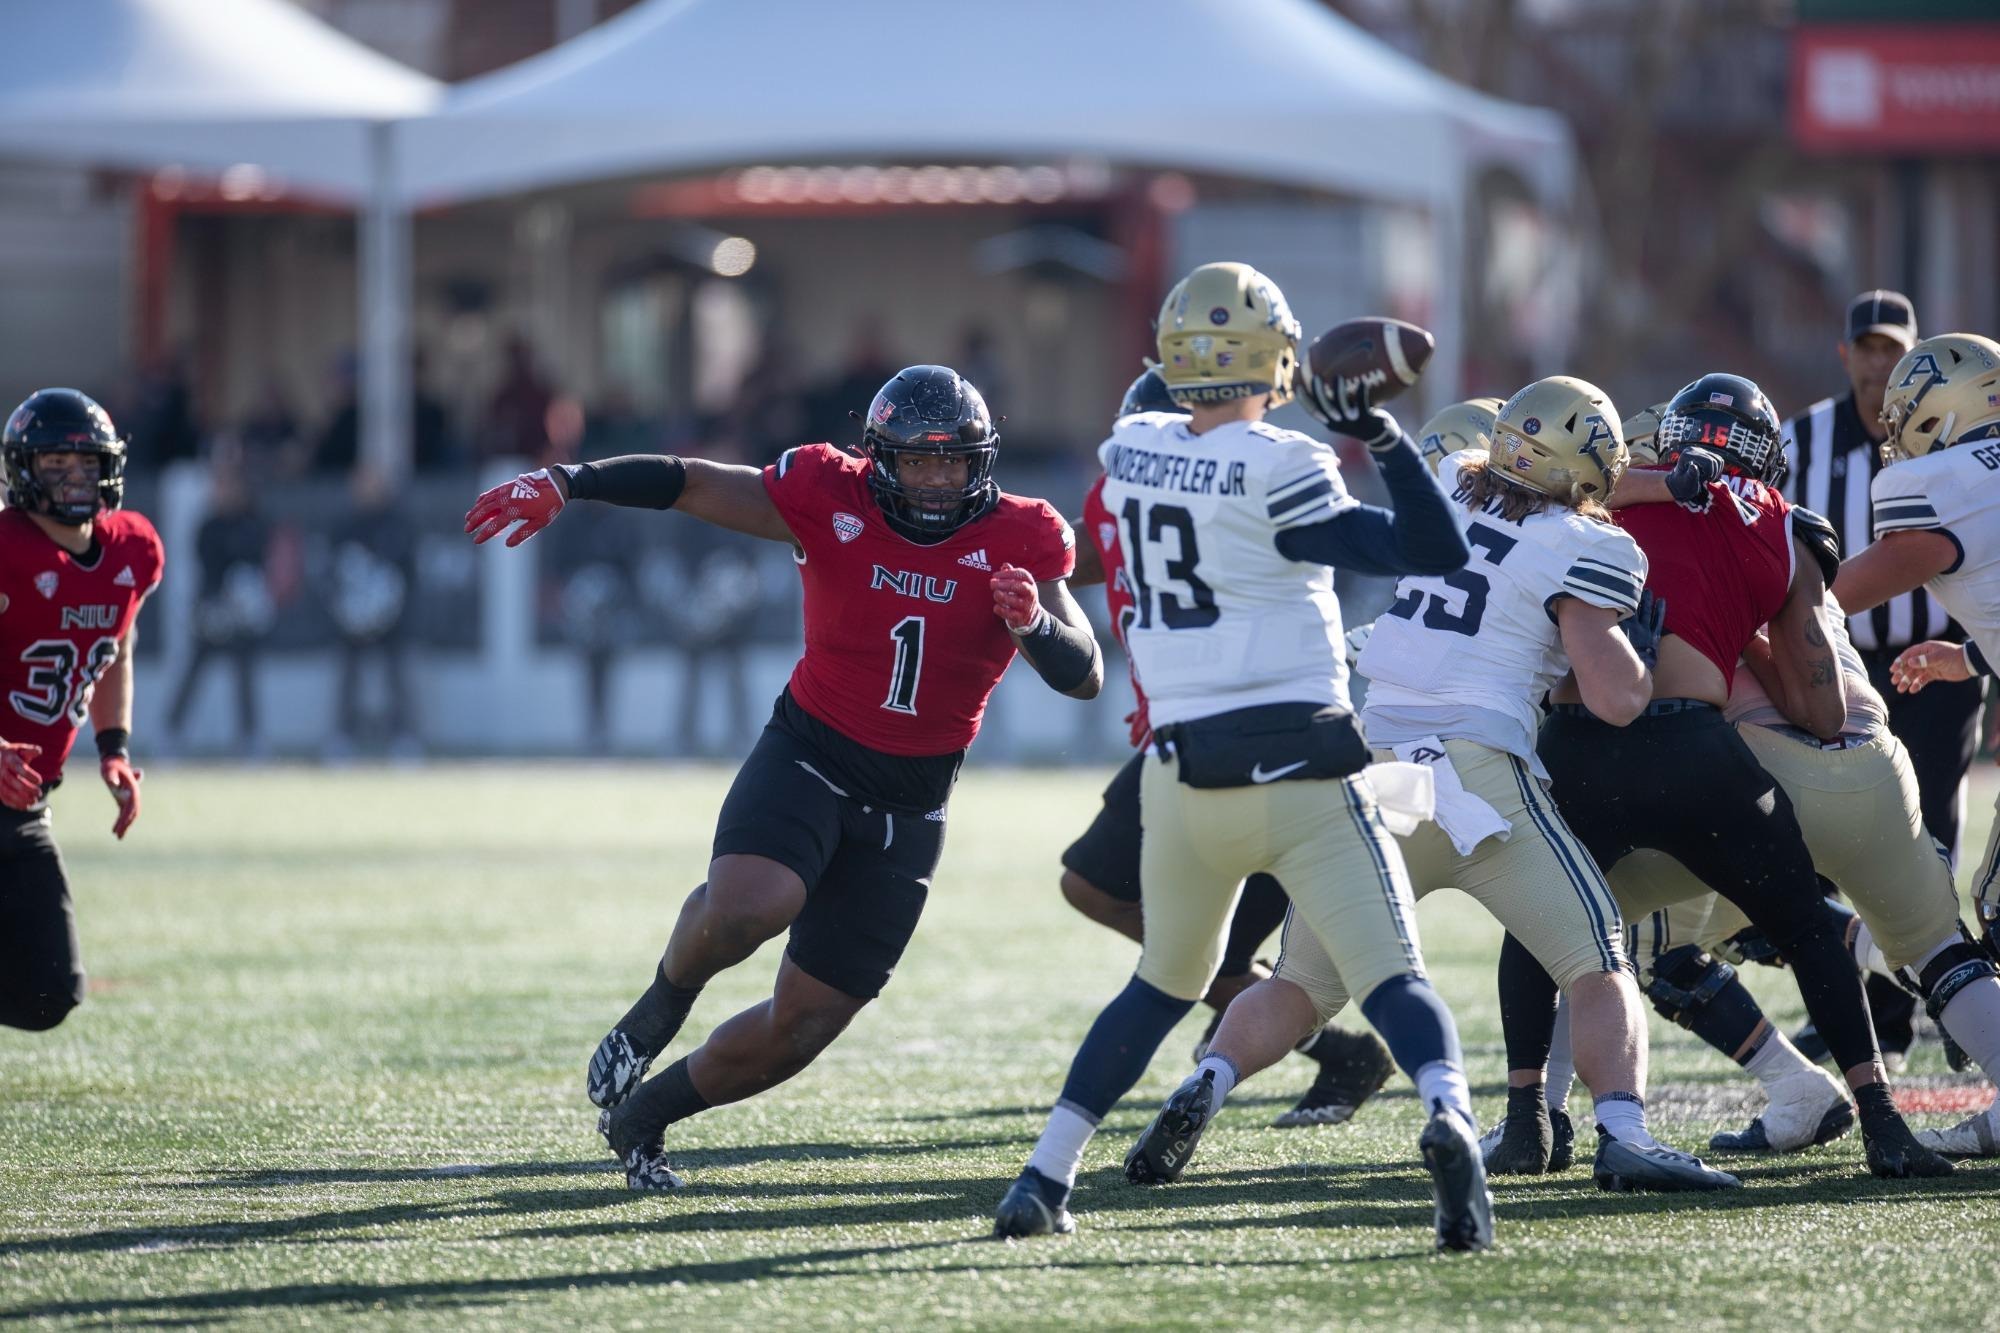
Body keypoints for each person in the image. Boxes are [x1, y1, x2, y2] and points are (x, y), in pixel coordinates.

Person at [466, 364, 1099, 1190]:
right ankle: (662, 1000)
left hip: (912, 803)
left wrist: (1035, 624)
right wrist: (568, 480)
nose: (938, 480)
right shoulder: (826, 492)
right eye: (918, 461)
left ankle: (643, 1117)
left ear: (983, 460)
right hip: (812, 750)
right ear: (880, 460)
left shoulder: (1024, 535)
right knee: (750, 905)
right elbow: (693, 483)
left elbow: (1083, 672)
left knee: (804, 1026)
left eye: (954, 461)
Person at [996, 262, 1493, 1252]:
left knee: (1156, 984)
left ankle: (1044, 1174)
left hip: (1181, 772)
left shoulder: (1130, 448)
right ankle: (1450, 1122)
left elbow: (1175, 442)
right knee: (1392, 975)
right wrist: (1382, 434)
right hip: (1305, 763)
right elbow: (1433, 548)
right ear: (1276, 358)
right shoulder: (1283, 464)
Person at [1205, 376, 1735, 1191]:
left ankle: (1200, 1087)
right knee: (1598, 961)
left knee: (1301, 984)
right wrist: (1638, 647)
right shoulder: (1594, 548)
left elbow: (1528, 474)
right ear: (1586, 473)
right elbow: (1615, 700)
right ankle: (1623, 1132)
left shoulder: (1453, 481)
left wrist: (1629, 480)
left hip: (1376, 765)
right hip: (1478, 773)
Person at [1492, 372, 1951, 1179]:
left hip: (1577, 744)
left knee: (1544, 924)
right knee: (1806, 925)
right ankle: (1881, 1118)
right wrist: (1744, 634)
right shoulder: (1777, 521)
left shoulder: (1601, 490)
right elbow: (1822, 712)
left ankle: (1527, 1116)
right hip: (1694, 752)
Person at [1061, 367, 1397, 1132]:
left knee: (1238, 953)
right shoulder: (1132, 501)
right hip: (1181, 741)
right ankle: (1324, 1043)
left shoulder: (1249, 496)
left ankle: (1326, 1043)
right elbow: (1087, 551)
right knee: (1098, 887)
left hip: (1275, 742)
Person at [1781, 289, 1976, 1065]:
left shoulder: (1954, 435)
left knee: (1929, 833)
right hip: (1841, 663)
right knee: (1820, 835)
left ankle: (1941, 998)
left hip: (1940, 659)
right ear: (1846, 355)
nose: (1879, 362)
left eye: (1893, 347)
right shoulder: (1804, 439)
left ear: (1917, 351)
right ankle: (1858, 1003)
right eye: (1867, 348)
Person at [1828, 331, 2000, 1156]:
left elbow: (1866, 580)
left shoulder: (1941, 482)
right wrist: (1967, 656)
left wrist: (1773, 619)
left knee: (1997, 908)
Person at [0, 389, 164, 1031]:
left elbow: (115, 650)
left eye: (86, 465)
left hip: (24, 806)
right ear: (22, 473)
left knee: (49, 995)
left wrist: (115, 749)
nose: (75, 481)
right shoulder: (7, 549)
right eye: (56, 467)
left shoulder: (134, 550)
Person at [165, 457, 271, 754]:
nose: (222, 492)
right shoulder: (208, 525)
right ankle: (172, 732)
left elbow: (257, 561)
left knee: (244, 672)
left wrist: (244, 594)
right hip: (213, 609)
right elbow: (206, 564)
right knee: (196, 668)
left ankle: (250, 736)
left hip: (244, 611)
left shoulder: (254, 523)